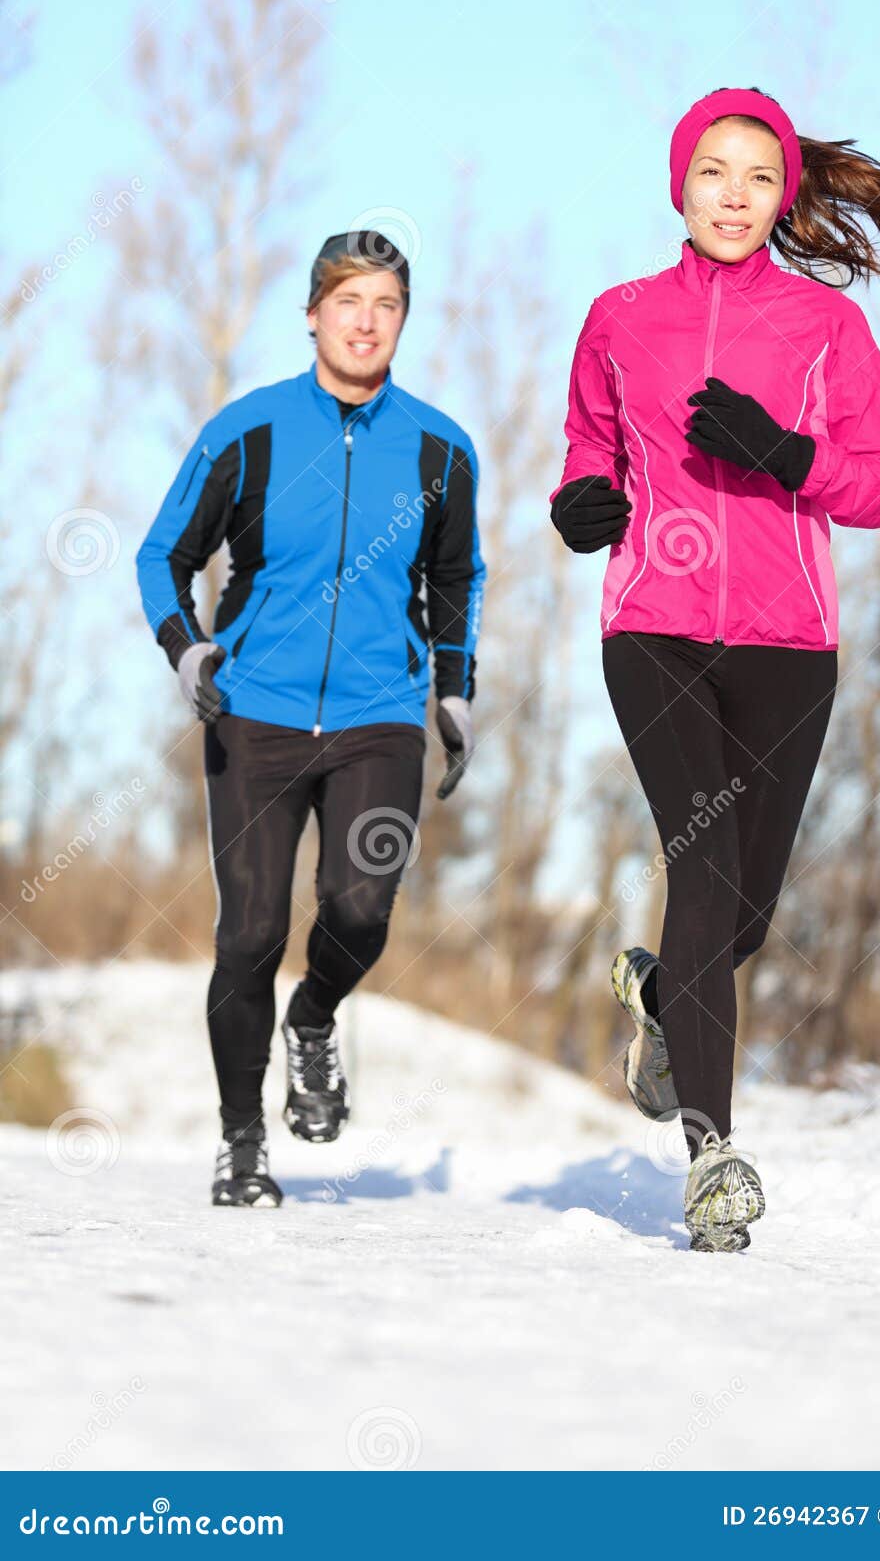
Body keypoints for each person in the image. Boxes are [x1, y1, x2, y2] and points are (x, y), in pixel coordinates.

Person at [550, 87, 880, 1253]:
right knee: (700, 871)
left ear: (782, 196)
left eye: (757, 178)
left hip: (786, 641)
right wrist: (576, 505)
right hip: (651, 624)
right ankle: (713, 1155)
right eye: (713, 171)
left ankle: (664, 1000)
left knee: (741, 913)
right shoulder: (617, 316)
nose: (733, 195)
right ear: (680, 182)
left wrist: (782, 453)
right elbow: (585, 447)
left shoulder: (825, 330)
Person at [136, 231, 486, 1207]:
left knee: (361, 903)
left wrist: (453, 691)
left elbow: (456, 577)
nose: (365, 321)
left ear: (401, 321)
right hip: (254, 713)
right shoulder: (247, 431)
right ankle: (242, 1141)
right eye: (347, 301)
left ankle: (316, 1015)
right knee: (248, 934)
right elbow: (161, 554)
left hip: (379, 714)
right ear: (312, 313)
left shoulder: (438, 447)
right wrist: (190, 648)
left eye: (384, 304)